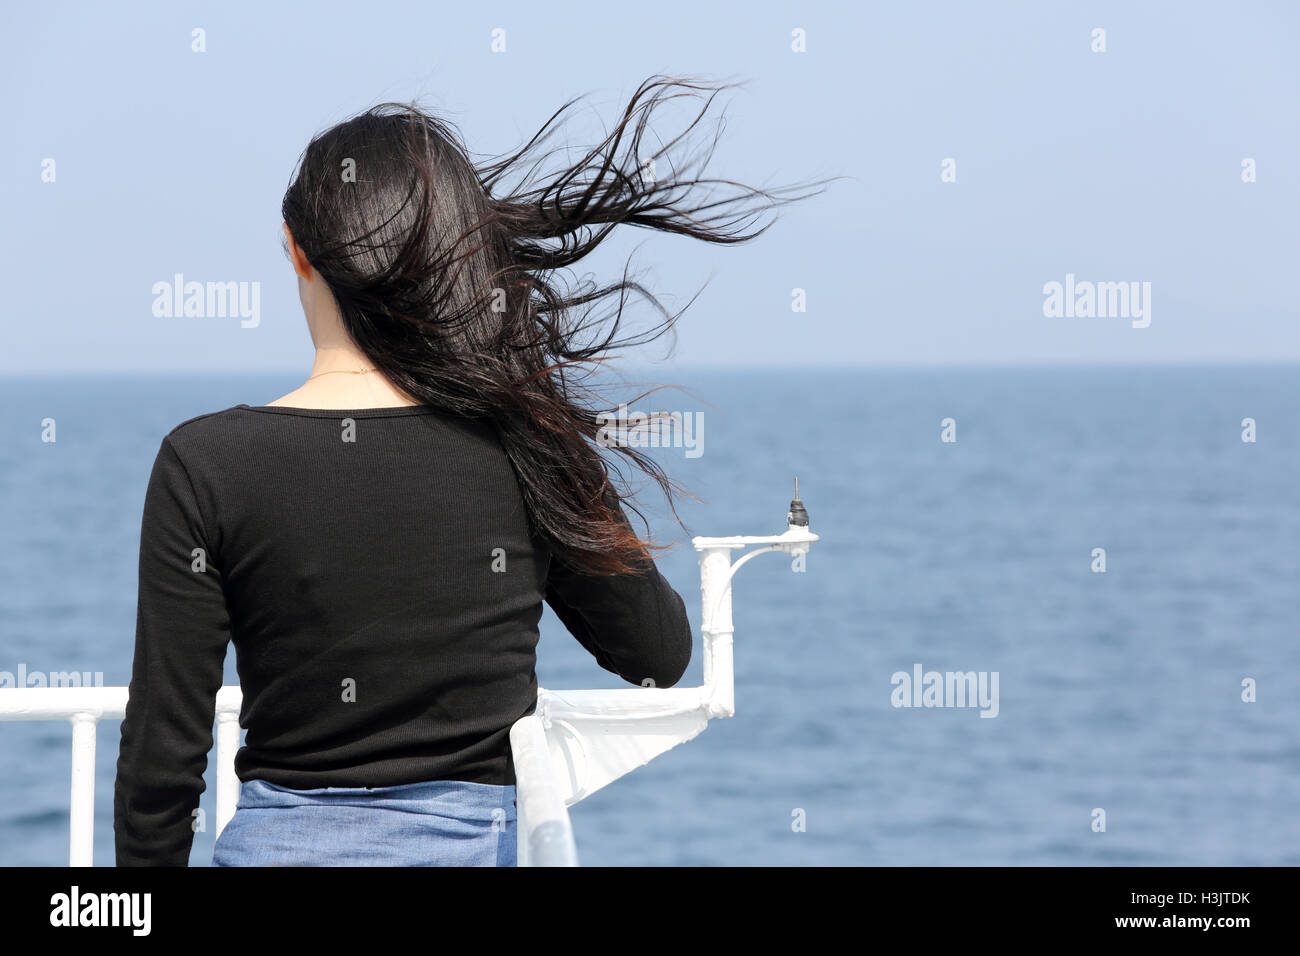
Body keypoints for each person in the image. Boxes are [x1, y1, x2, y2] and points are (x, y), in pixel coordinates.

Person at [113, 76, 824, 866]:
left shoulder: (204, 462)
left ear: (296, 250)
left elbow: (161, 766)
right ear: (457, 252)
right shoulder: (522, 441)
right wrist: (537, 409)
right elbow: (656, 653)